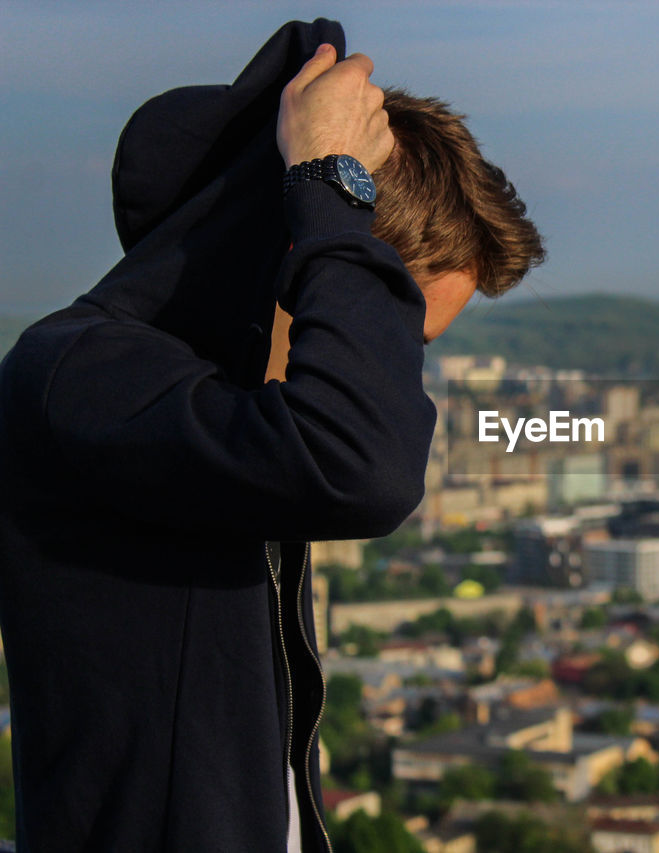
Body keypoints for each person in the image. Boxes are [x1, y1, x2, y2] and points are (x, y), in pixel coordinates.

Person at [0, 18, 542, 853]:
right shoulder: (81, 373)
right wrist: (332, 182)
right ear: (310, 265)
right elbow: (363, 467)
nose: (393, 367)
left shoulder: (228, 416)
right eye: (390, 332)